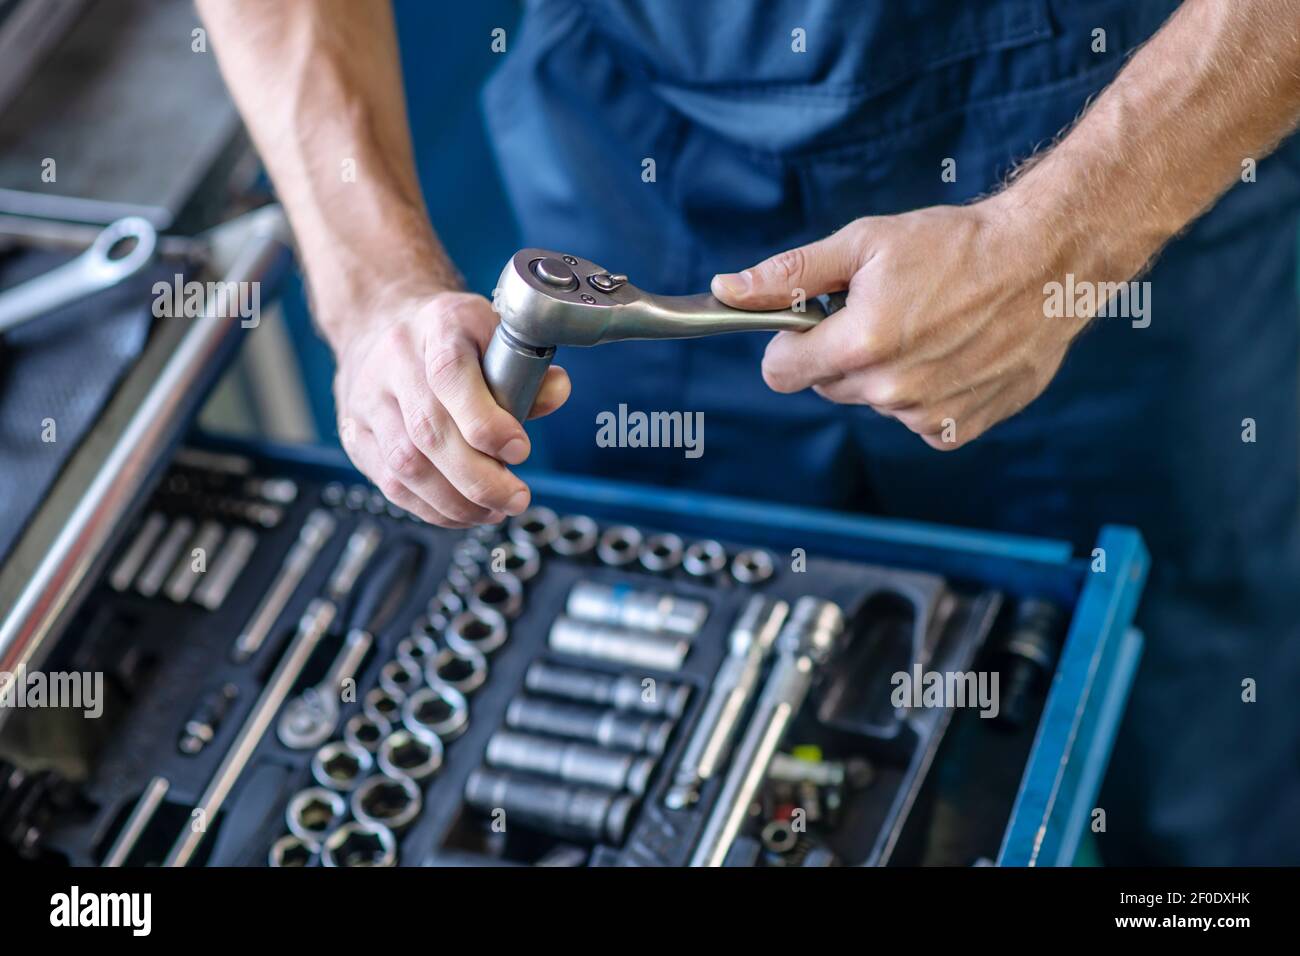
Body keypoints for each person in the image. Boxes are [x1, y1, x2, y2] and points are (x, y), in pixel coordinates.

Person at [195, 0, 1300, 865]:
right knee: (674, 696)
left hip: (1125, 144)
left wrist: (1072, 237)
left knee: (1196, 758)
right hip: (641, 152)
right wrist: (371, 282)